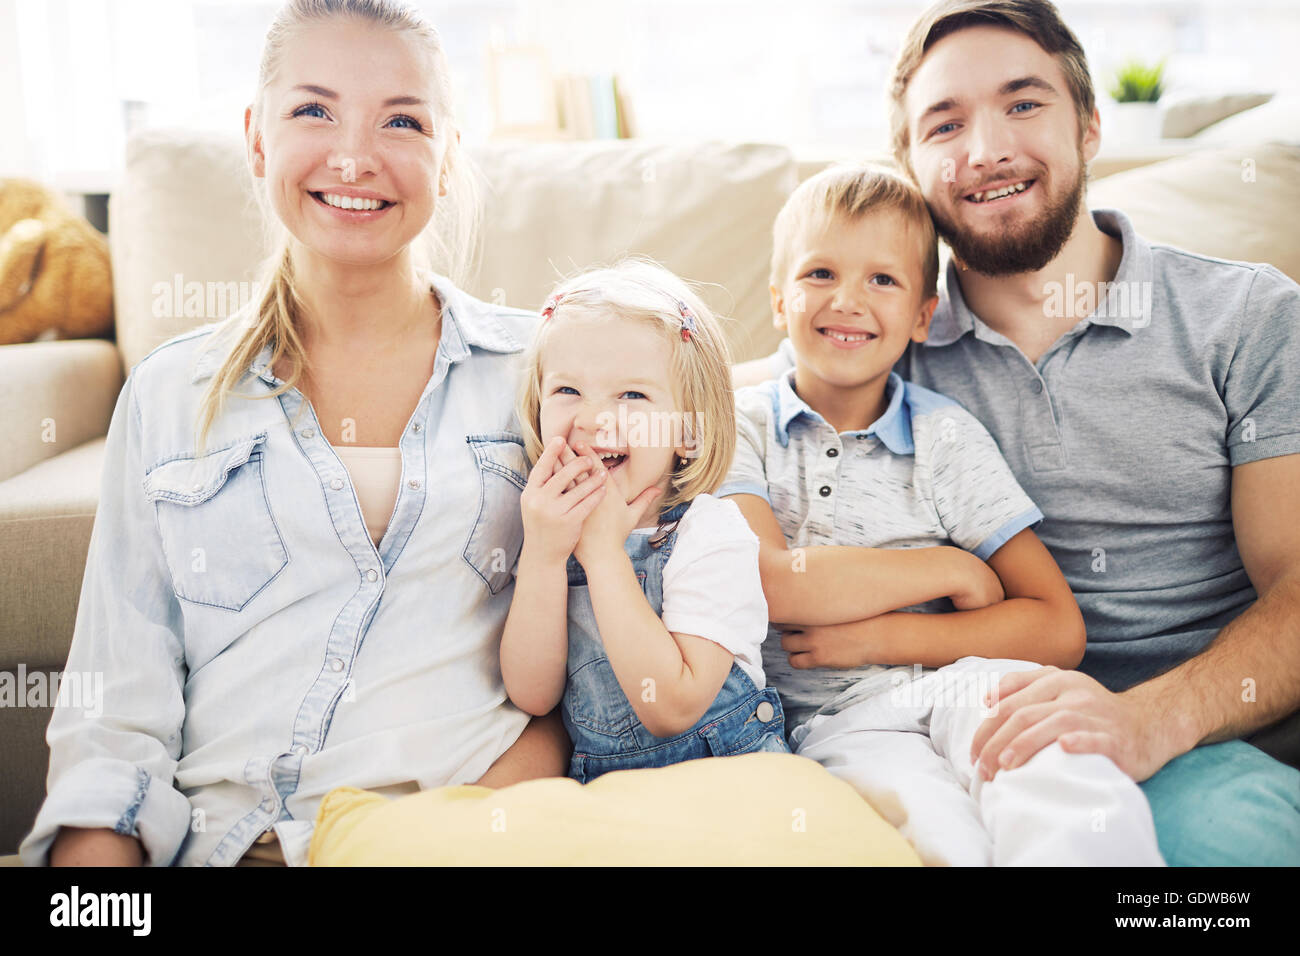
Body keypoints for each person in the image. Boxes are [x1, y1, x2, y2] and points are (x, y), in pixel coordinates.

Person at [733, 0, 1300, 865]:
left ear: (1091, 125)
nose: (986, 149)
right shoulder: (881, 345)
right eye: (946, 123)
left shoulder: (1246, 316)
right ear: (912, 167)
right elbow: (740, 407)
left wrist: (1151, 719)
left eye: (1023, 104)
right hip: (960, 721)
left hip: (1199, 734)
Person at [20, 0, 567, 867]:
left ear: (450, 157)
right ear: (257, 138)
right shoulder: (172, 392)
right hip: (235, 842)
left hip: (469, 834)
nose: (354, 156)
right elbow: (113, 714)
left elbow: (609, 650)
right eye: (314, 110)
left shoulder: (540, 372)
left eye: (403, 121)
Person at [721, 163, 1162, 865]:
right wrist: (949, 567)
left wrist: (875, 639)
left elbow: (1055, 626)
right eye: (819, 274)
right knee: (932, 834)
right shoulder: (736, 428)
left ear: (925, 315)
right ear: (778, 300)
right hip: (841, 723)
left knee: (1055, 764)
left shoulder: (946, 436)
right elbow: (776, 584)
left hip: (965, 678)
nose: (848, 301)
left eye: (883, 280)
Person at [501, 261, 789, 784]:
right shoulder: (550, 531)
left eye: (631, 396)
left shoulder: (710, 533)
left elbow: (672, 707)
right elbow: (534, 695)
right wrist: (543, 557)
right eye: (568, 391)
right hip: (609, 791)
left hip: (730, 778)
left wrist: (605, 555)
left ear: (688, 431)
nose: (592, 419)